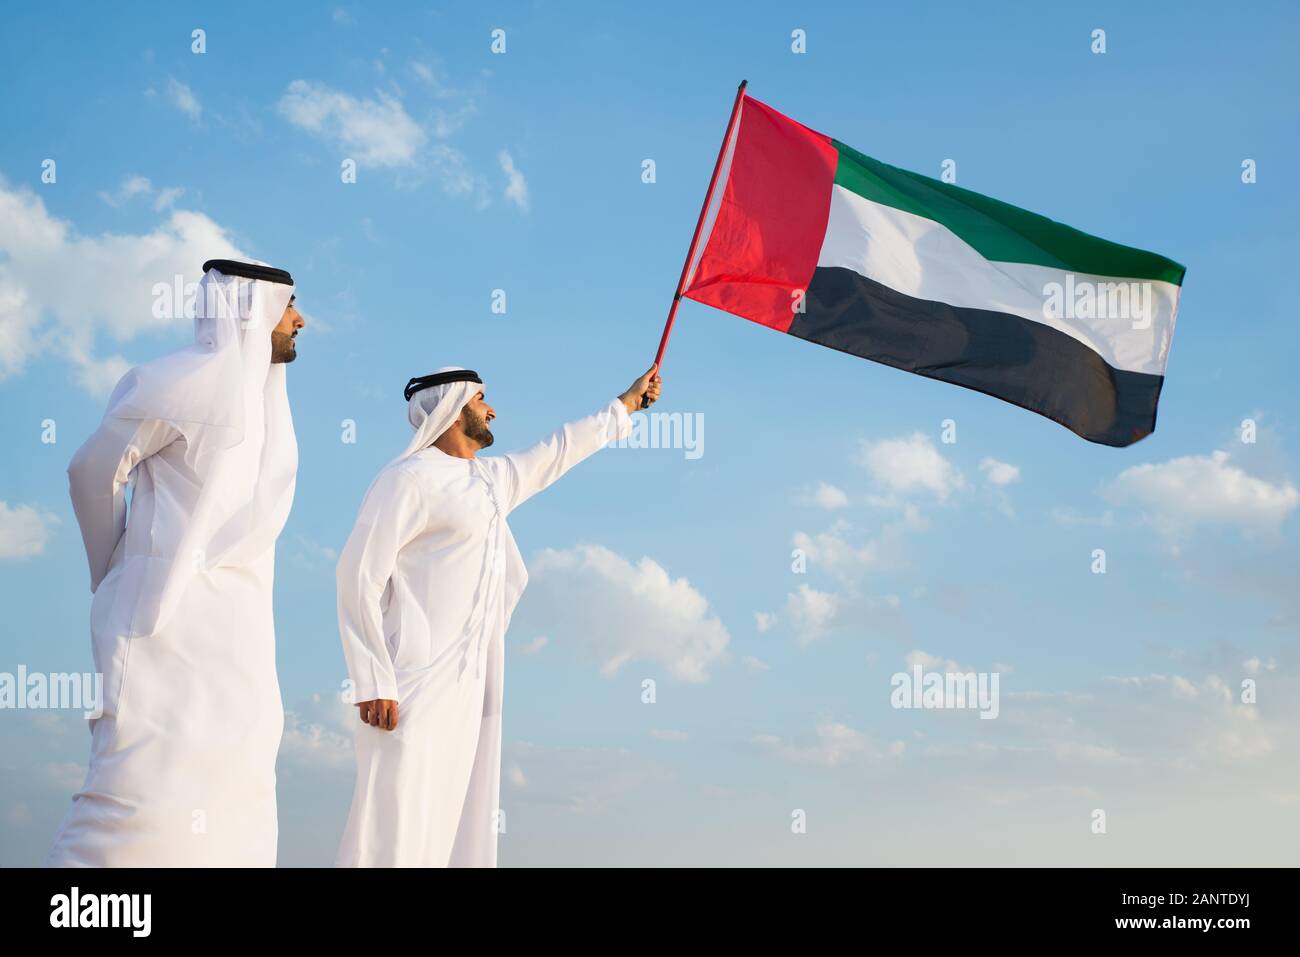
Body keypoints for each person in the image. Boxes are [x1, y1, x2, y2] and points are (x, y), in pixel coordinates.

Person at [334, 364, 662, 867]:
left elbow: (557, 450)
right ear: (450, 408)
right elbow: (358, 575)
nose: (492, 409)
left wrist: (625, 404)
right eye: (482, 398)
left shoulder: (489, 481)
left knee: (450, 823)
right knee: (394, 820)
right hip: (409, 687)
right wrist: (373, 679)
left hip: (469, 690)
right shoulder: (406, 480)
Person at [46, 259, 305, 867]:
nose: (300, 319)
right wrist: (114, 565)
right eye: (288, 305)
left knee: (234, 784)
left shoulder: (267, 405)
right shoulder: (173, 382)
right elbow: (91, 472)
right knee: (136, 783)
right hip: (160, 623)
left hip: (240, 638)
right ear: (250, 308)